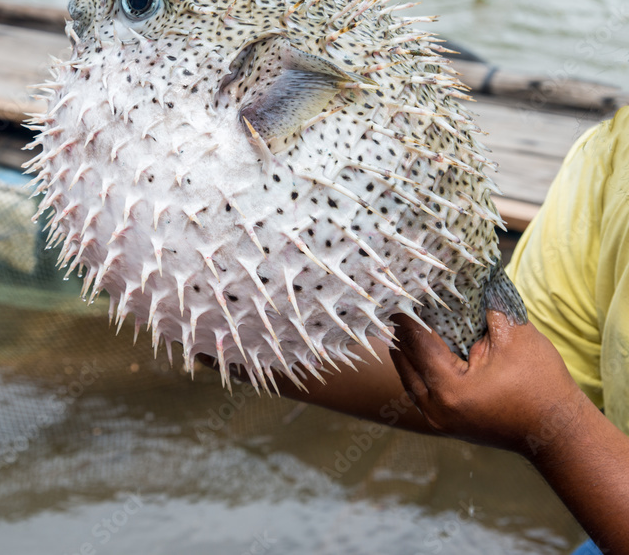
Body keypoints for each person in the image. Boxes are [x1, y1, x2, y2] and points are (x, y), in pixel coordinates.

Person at [214, 106, 629, 553]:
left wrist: (558, 428)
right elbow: (493, 373)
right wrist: (229, 331)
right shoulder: (612, 156)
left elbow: (540, 401)